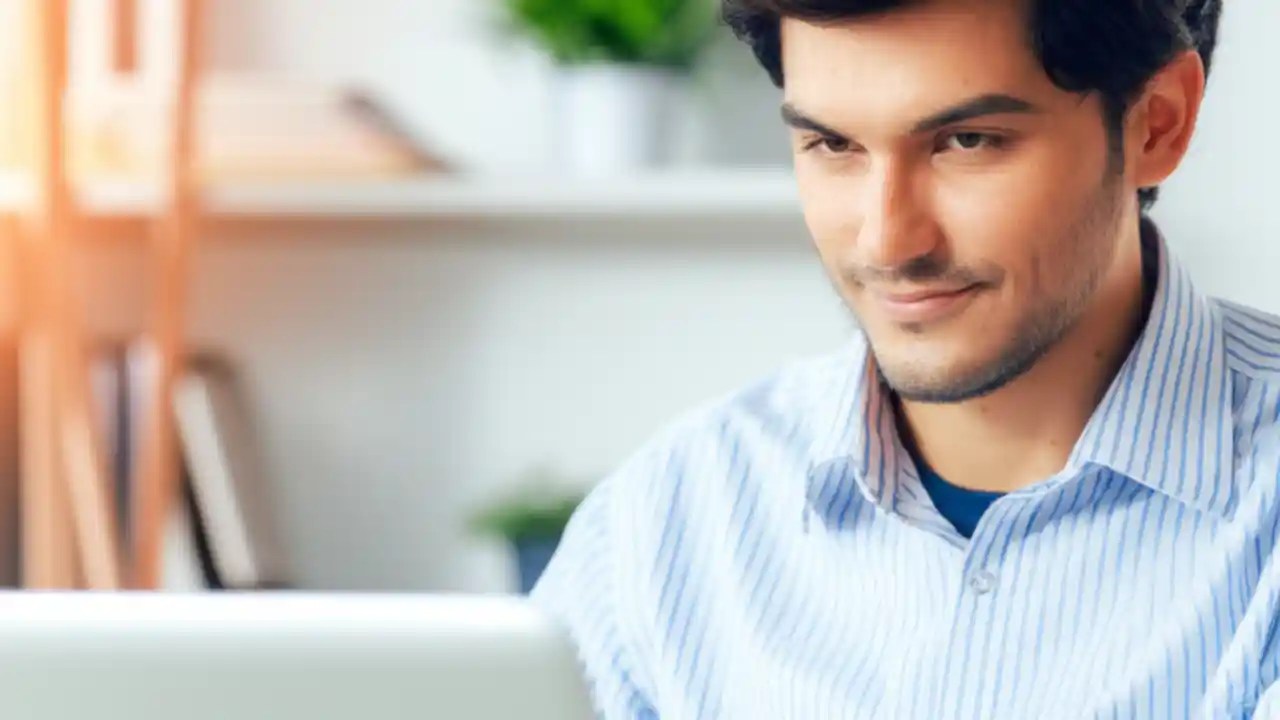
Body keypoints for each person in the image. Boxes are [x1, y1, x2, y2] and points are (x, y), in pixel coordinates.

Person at [532, 0, 1280, 716]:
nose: (887, 242)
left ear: (1158, 123)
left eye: (967, 141)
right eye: (834, 146)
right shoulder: (661, 525)